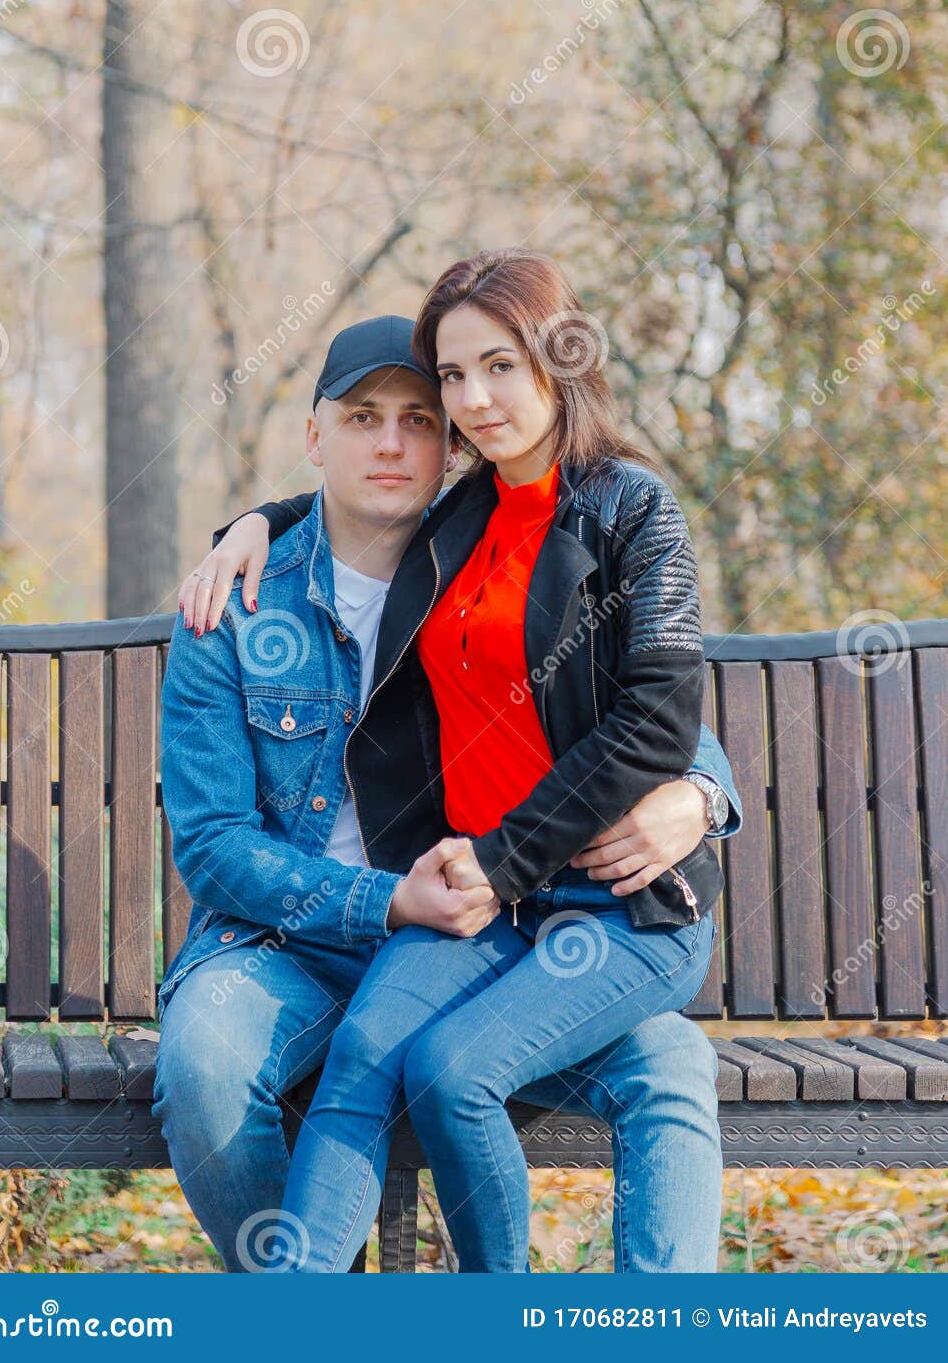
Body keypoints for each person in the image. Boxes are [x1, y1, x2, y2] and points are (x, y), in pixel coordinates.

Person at [156, 297, 742, 1274]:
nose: (390, 444)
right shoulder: (234, 600)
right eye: (358, 419)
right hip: (290, 947)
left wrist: (697, 792)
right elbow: (212, 844)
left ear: (452, 444)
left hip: (482, 933)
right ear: (313, 435)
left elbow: (648, 708)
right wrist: (383, 898)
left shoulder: (481, 552)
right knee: (205, 1061)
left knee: (669, 1060)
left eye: (418, 420)